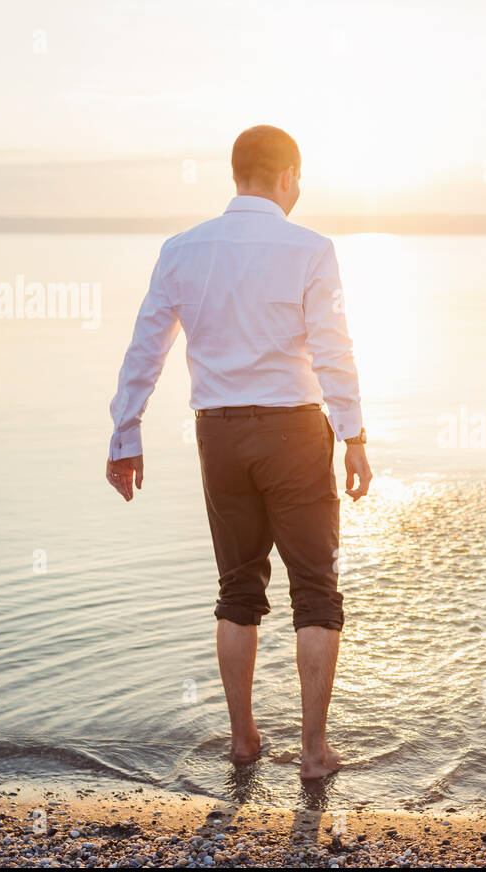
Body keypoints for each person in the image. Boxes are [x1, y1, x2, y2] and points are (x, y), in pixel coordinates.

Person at [105, 125, 372, 778]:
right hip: (296, 432)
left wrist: (126, 432)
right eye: (299, 180)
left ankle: (244, 740)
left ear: (236, 174)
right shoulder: (312, 248)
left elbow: (148, 346)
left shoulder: (182, 250)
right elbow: (333, 348)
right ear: (287, 177)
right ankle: (314, 752)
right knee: (316, 591)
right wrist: (355, 435)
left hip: (218, 434)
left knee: (236, 589)